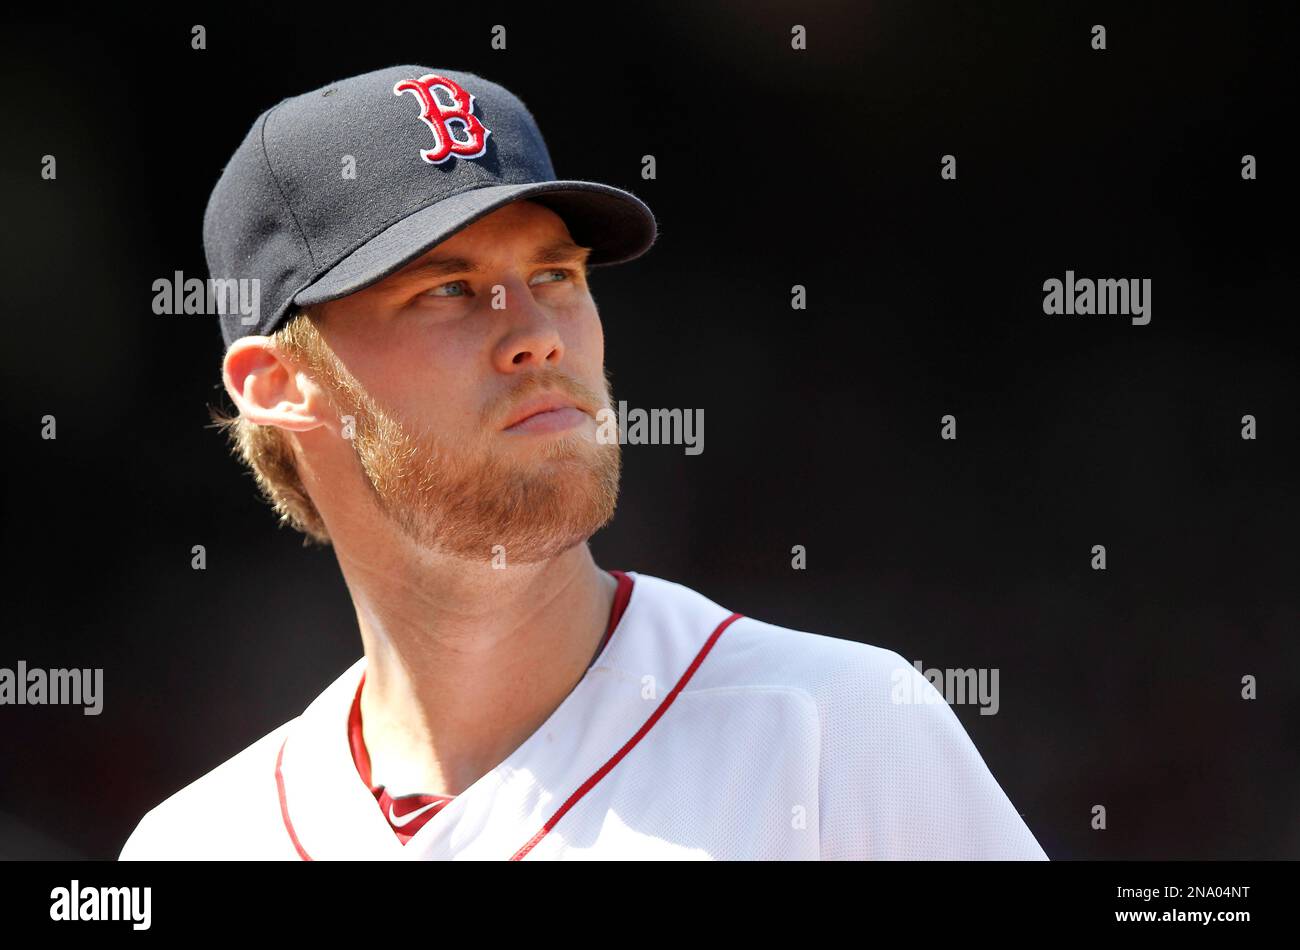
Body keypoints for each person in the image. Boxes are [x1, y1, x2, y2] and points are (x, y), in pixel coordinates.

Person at [119, 65, 1048, 860]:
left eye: (556, 275)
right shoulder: (198, 844)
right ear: (280, 383)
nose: (535, 336)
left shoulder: (837, 729)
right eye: (448, 289)